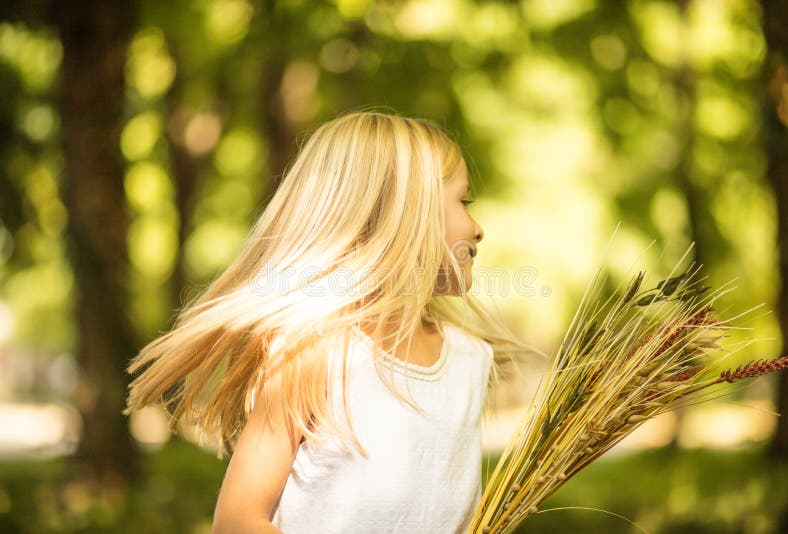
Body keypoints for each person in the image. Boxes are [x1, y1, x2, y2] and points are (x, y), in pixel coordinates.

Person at [123, 109, 545, 533]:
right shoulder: (313, 355)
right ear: (403, 214)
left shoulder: (471, 359)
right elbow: (236, 522)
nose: (477, 228)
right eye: (463, 202)